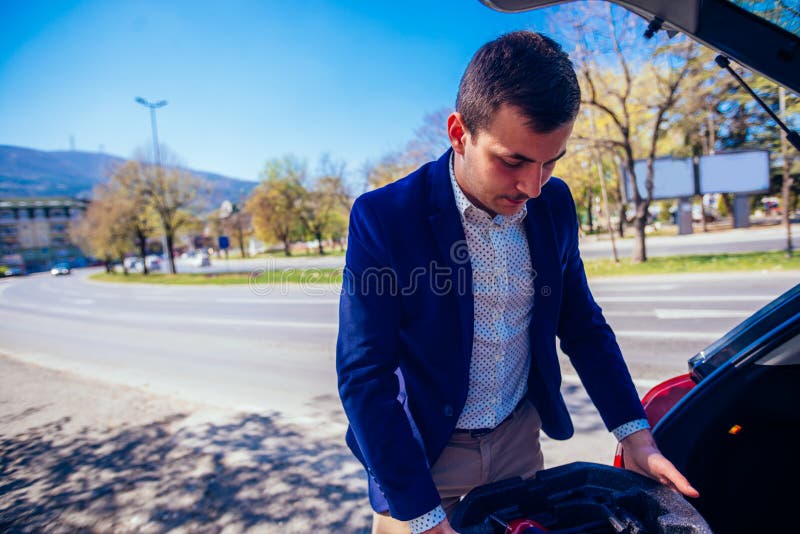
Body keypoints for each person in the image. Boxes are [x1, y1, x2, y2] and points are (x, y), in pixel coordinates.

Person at [336, 31, 698, 534]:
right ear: (459, 133)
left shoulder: (554, 204)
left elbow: (583, 326)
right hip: (422, 457)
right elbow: (365, 376)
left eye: (551, 161)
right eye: (513, 161)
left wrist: (636, 435)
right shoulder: (383, 218)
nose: (533, 186)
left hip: (518, 444)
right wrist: (421, 515)